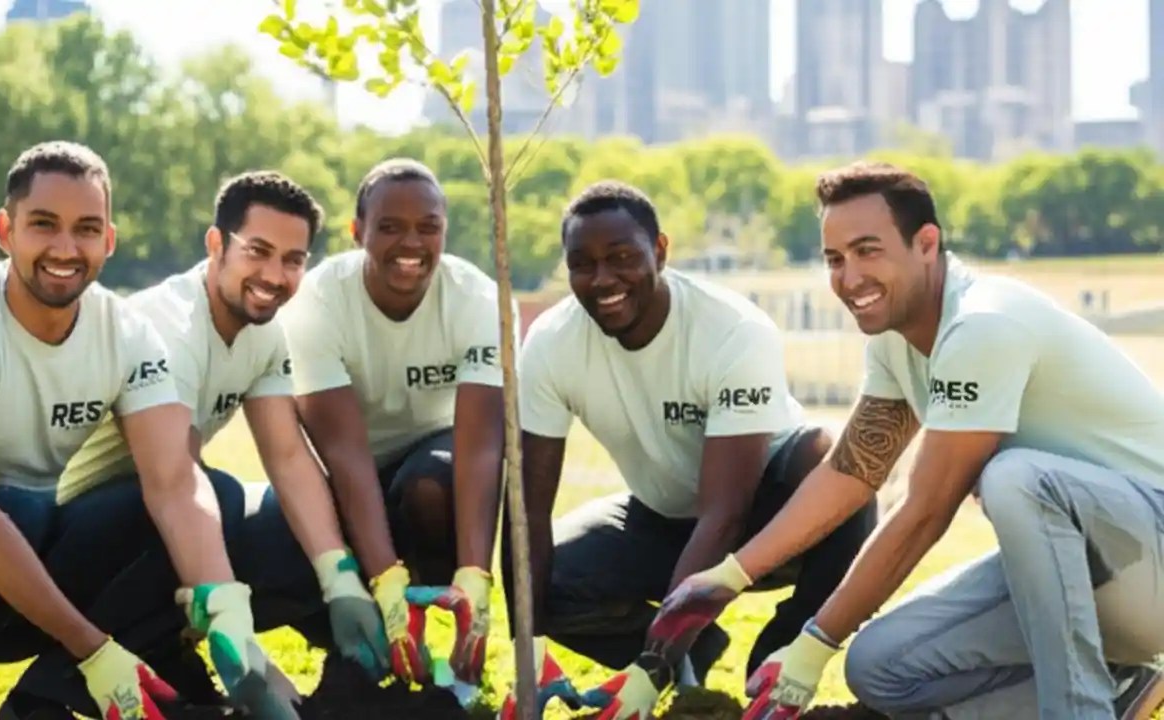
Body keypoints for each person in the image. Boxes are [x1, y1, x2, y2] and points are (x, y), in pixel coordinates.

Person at [604, 162, 1164, 719]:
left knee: (1014, 480)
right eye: (834, 259)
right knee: (879, 664)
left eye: (868, 251)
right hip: (1082, 578)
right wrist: (730, 576)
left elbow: (926, 509)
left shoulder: (982, 326)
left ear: (926, 243)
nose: (849, 279)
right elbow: (853, 471)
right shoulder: (898, 339)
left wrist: (815, 642)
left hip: (1149, 557)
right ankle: (1120, 691)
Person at [0, 141, 293, 720]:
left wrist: (229, 614)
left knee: (212, 495)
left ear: (110, 239)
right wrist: (93, 648)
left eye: (86, 228)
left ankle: (45, 705)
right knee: (14, 508)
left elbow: (173, 482)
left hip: (19, 571)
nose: (64, 248)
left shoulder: (126, 331)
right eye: (43, 225)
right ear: (6, 230)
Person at [501, 180, 878, 716]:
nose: (603, 279)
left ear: (660, 250)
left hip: (767, 521)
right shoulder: (551, 344)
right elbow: (526, 512)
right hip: (658, 519)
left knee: (835, 463)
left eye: (623, 257)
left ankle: (779, 649)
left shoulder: (732, 331)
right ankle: (692, 650)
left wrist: (651, 671)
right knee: (550, 579)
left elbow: (724, 512)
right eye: (582, 263)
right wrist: (527, 649)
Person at [41, 170, 390, 697]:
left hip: (148, 515)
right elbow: (175, 479)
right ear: (215, 244)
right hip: (59, 531)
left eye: (292, 260)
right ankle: (44, 691)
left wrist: (339, 579)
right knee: (216, 495)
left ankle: (171, 661)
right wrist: (234, 622)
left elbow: (289, 458)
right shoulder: (170, 327)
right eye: (258, 251)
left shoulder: (267, 332)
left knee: (284, 521)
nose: (274, 274)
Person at [278, 157, 511, 688]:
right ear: (357, 231)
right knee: (285, 536)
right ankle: (367, 644)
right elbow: (344, 453)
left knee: (433, 487)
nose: (411, 244)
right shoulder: (318, 301)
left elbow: (480, 449)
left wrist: (475, 575)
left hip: (434, 456)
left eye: (428, 228)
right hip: (347, 467)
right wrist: (384, 578)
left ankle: (449, 655)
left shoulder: (478, 300)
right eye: (389, 227)